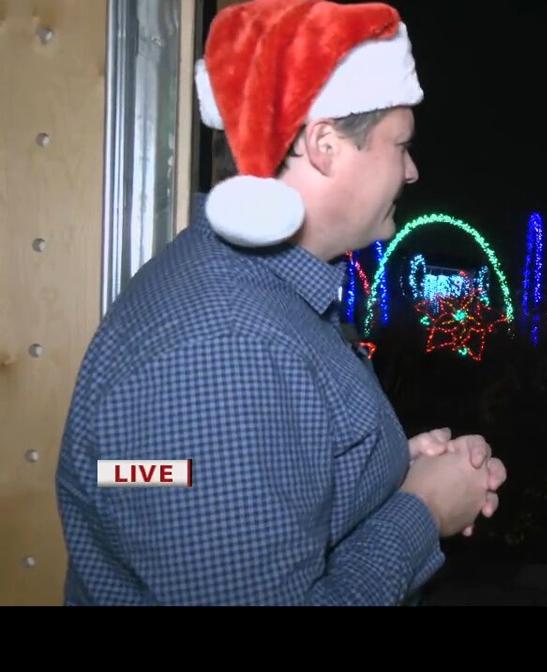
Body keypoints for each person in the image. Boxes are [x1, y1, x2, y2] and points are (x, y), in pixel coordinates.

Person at [57, 0, 504, 605]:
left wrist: (385, 467)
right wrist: (420, 509)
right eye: (400, 145)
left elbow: (228, 485)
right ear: (324, 145)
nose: (412, 170)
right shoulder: (224, 349)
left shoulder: (261, 297)